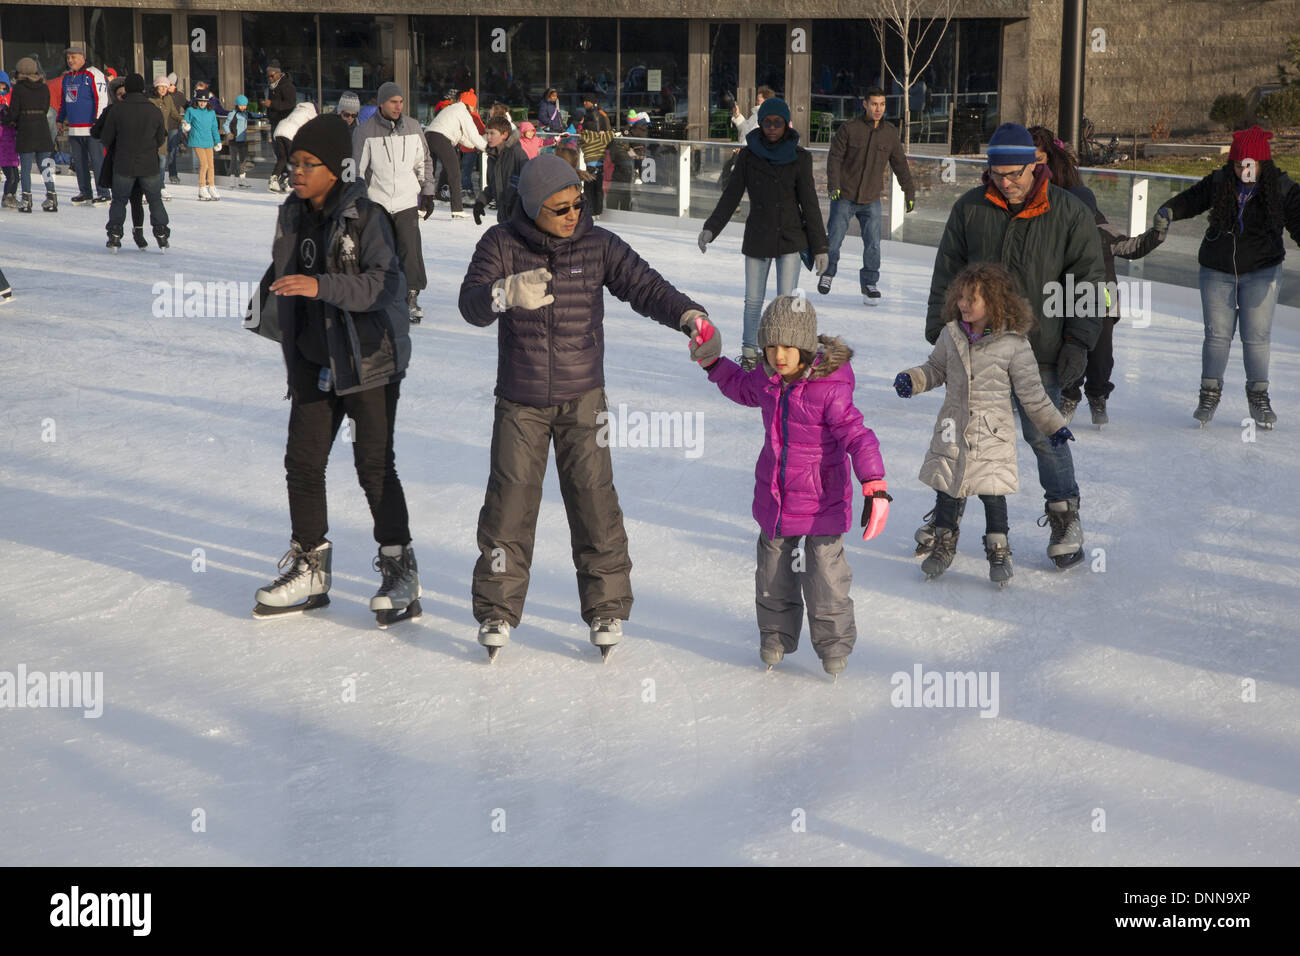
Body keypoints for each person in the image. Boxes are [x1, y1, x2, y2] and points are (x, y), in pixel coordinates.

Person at [457, 153, 715, 661]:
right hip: (520, 401)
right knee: (508, 508)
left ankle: (607, 607)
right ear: (532, 209)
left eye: (577, 203)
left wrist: (689, 315)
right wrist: (502, 293)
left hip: (583, 398)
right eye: (560, 209)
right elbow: (470, 305)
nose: (573, 214)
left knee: (595, 503)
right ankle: (496, 610)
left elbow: (646, 286)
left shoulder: (597, 245)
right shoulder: (501, 245)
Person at [251, 113, 420, 626]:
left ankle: (399, 570)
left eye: (309, 164)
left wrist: (319, 286)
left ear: (336, 169)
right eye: (294, 163)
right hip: (311, 358)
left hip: (369, 361)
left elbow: (382, 286)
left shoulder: (367, 217)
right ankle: (310, 570)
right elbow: (286, 271)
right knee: (302, 464)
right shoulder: (292, 214)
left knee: (374, 468)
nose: (297, 172)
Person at [924, 122, 1105, 568]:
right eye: (998, 174)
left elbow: (1088, 280)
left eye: (1015, 174)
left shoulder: (1067, 211)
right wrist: (939, 328)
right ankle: (947, 517)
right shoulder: (971, 208)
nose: (1006, 183)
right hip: (976, 347)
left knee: (1043, 434)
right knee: (967, 432)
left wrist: (1079, 342)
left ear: (1034, 165)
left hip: (1040, 346)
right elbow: (947, 271)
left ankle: (1064, 515)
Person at [698, 295, 887, 676]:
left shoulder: (829, 388)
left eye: (787, 347)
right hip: (777, 496)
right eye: (770, 346)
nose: (778, 355)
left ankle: (833, 645)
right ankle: (774, 636)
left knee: (825, 577)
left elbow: (857, 435)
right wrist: (713, 362)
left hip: (822, 500)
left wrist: (874, 482)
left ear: (804, 346)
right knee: (771, 570)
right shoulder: (768, 378)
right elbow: (740, 387)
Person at [897, 263, 1073, 584]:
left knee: (993, 493)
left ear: (993, 302)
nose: (964, 304)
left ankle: (998, 548)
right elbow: (935, 368)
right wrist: (913, 379)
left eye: (972, 299)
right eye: (961, 297)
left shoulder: (1013, 343)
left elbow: (1032, 392)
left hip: (992, 434)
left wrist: (1053, 426)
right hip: (953, 428)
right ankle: (943, 544)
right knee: (948, 489)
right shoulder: (951, 336)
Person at [1155, 126, 1300, 429]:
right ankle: (1209, 394)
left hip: (1262, 271)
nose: (1243, 170)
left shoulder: (1282, 188)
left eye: (1249, 164)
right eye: (1237, 164)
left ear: (1263, 163)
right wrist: (1169, 210)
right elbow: (1192, 199)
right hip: (1216, 271)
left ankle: (1258, 396)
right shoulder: (1221, 182)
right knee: (1217, 336)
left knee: (1256, 337)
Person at [1028, 126, 1166, 425]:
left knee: (1101, 356)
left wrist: (1157, 234)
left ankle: (1098, 395)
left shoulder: (1098, 228)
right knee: (1066, 345)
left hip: (1101, 302)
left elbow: (1130, 246)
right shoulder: (1048, 218)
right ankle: (1068, 394)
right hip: (1061, 298)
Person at [700, 97, 828, 370]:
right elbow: (731, 196)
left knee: (785, 303)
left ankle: (782, 355)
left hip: (790, 238)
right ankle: (749, 353)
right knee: (753, 301)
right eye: (766, 122)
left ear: (786, 123)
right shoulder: (749, 155)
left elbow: (810, 204)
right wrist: (711, 227)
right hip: (758, 237)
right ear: (760, 123)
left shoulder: (800, 158)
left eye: (777, 123)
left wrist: (821, 247)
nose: (771, 128)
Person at [822, 86, 916, 305]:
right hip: (844, 195)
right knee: (834, 239)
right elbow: (834, 158)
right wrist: (833, 185)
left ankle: (869, 283)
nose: (878, 108)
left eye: (882, 104)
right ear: (865, 104)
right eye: (874, 104)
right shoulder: (849, 128)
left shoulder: (889, 132)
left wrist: (909, 191)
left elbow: (900, 164)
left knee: (873, 243)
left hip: (871, 197)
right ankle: (827, 274)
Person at [354, 81, 435, 322]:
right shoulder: (364, 131)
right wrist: (356, 199)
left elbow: (424, 161)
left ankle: (411, 295)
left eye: (401, 102)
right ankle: (377, 295)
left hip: (407, 201)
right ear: (382, 103)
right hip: (376, 202)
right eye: (393, 102)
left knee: (410, 250)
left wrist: (427, 192)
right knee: (378, 251)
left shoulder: (412, 127)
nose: (398, 106)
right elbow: (356, 169)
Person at [98, 73, 169, 251]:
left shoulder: (117, 110)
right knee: (154, 200)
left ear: (127, 89)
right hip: (148, 164)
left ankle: (114, 233)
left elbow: (106, 138)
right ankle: (161, 232)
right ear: (143, 89)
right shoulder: (154, 110)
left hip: (123, 163)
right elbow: (161, 139)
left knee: (119, 200)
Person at [57, 46, 110, 204]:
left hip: (91, 128)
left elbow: (101, 98)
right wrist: (60, 119)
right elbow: (65, 102)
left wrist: (98, 121)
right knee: (79, 163)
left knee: (97, 161)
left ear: (82, 57)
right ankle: (85, 192)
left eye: (73, 57)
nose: (70, 61)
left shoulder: (93, 73)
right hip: (74, 128)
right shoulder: (67, 78)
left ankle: (104, 192)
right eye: (68, 58)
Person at [424, 88, 487, 219]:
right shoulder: (462, 112)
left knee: (428, 174)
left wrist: (476, 146)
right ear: (470, 104)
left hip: (428, 137)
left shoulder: (452, 109)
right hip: (441, 138)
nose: (474, 109)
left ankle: (422, 207)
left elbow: (463, 138)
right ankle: (457, 209)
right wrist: (488, 148)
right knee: (454, 173)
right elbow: (473, 134)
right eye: (474, 106)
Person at [8, 57, 57, 213]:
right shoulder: (43, 88)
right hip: (42, 129)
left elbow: (14, 112)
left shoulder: (19, 89)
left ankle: (26, 199)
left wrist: (10, 120)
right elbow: (45, 108)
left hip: (26, 130)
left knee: (26, 168)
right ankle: (52, 197)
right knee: (46, 166)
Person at [472, 115, 527, 224]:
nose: (488, 137)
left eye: (492, 133)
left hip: (519, 213)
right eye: (487, 133)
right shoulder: (492, 157)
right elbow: (492, 185)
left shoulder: (517, 153)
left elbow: (529, 181)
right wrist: (480, 203)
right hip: (503, 213)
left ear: (505, 135)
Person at [262, 61, 296, 192]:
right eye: (268, 76)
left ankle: (285, 179)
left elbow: (290, 104)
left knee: (285, 153)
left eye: (271, 76)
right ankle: (283, 178)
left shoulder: (287, 86)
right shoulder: (272, 87)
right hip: (275, 123)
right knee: (279, 153)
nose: (269, 79)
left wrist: (272, 104)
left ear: (278, 74)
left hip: (285, 125)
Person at [182, 89, 221, 200]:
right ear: (197, 101)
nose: (202, 103)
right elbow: (185, 122)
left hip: (208, 141)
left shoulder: (211, 112)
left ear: (208, 101)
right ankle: (202, 187)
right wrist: (185, 126)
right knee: (204, 164)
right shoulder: (191, 110)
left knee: (211, 165)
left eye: (204, 101)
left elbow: (214, 128)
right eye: (200, 101)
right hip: (197, 140)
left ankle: (212, 186)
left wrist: (217, 141)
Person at [149, 76, 181, 199]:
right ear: (156, 87)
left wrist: (182, 121)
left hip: (163, 135)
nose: (163, 89)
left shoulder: (168, 99)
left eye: (165, 87)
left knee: (162, 160)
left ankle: (160, 186)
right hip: (151, 136)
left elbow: (173, 112)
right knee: (151, 161)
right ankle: (147, 187)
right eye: (161, 86)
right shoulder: (151, 100)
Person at [578, 113, 614, 218]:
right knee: (598, 190)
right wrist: (604, 133)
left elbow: (579, 141)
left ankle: (590, 211)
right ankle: (598, 212)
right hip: (599, 167)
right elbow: (611, 134)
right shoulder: (601, 138)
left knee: (588, 190)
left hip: (589, 167)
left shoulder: (583, 138)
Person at [456, 90, 487, 200]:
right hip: (462, 147)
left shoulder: (473, 116)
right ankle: (466, 189)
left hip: (471, 149)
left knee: (466, 170)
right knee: (464, 170)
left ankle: (467, 190)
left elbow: (482, 130)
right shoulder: (466, 115)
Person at [223, 94, 252, 188]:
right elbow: (225, 125)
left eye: (245, 105)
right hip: (234, 141)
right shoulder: (233, 113)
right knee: (234, 160)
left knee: (243, 160)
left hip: (242, 141)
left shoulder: (246, 113)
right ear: (237, 105)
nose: (243, 107)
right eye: (241, 105)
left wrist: (263, 115)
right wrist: (228, 133)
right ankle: (231, 180)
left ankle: (242, 179)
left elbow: (254, 115)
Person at [0, 71, 19, 209]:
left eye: (3, 87)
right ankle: (7, 196)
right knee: (10, 176)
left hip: (12, 144)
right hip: (3, 148)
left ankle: (10, 196)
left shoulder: (11, 97)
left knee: (16, 176)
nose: (1, 90)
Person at [165, 74, 185, 184]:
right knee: (161, 152)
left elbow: (188, 106)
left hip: (173, 127)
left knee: (172, 151)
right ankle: (159, 173)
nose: (169, 87)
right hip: (162, 126)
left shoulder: (179, 96)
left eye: (171, 85)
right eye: (168, 84)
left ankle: (173, 174)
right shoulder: (163, 95)